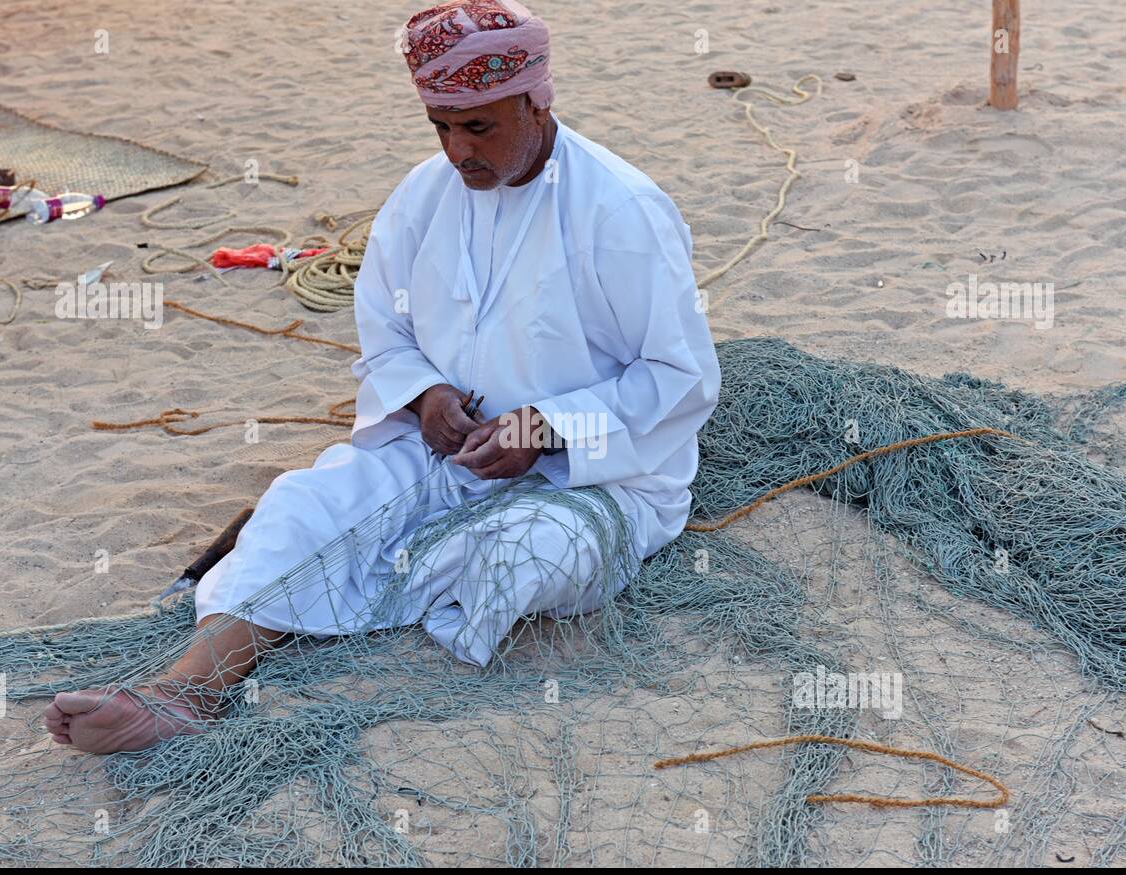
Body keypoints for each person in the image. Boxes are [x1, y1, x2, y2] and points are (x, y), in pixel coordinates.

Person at [44, 0, 719, 754]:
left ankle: (315, 617)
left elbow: (680, 379)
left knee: (518, 558)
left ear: (535, 99)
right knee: (304, 506)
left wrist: (542, 427)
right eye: (441, 126)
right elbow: (387, 330)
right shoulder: (425, 195)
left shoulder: (621, 209)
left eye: (479, 127)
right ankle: (185, 690)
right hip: (445, 453)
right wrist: (424, 394)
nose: (458, 150)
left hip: (595, 476)